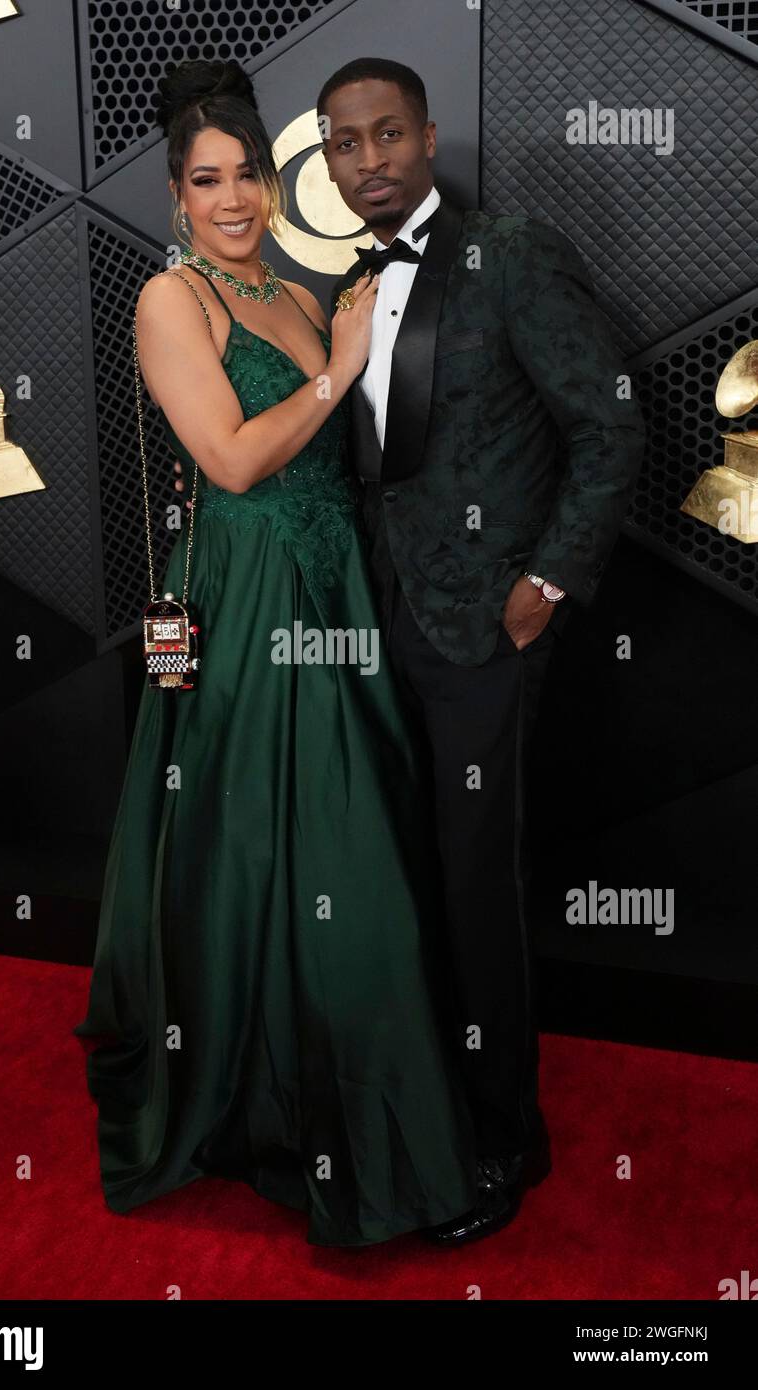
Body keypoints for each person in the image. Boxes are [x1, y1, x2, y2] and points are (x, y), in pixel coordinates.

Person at [73, 57, 483, 1248]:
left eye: (249, 172)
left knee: (347, 848)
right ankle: (297, 1113)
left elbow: (351, 448)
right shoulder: (174, 301)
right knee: (273, 846)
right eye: (208, 180)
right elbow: (236, 461)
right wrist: (337, 372)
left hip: (335, 584)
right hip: (247, 598)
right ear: (173, 196)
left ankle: (362, 1106)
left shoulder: (302, 293)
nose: (235, 197)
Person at [317, 57, 647, 1244]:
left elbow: (609, 422)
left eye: (386, 136)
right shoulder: (350, 285)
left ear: (426, 134)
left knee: (473, 884)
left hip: (484, 631)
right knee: (404, 878)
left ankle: (506, 1136)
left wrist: (543, 584)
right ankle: (426, 1101)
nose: (368, 163)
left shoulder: (506, 252)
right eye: (344, 146)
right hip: (386, 621)